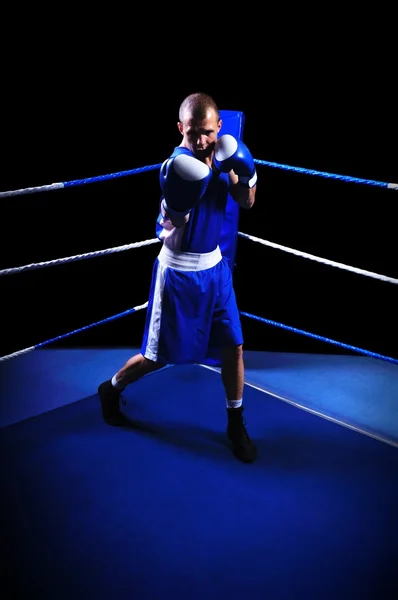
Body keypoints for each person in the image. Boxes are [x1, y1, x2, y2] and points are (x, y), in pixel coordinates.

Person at [98, 92, 258, 463]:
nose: (201, 142)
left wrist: (244, 171)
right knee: (157, 357)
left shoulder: (228, 153)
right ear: (179, 130)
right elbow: (169, 226)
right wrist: (180, 203)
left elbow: (247, 202)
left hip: (216, 270)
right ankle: (111, 388)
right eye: (192, 134)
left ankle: (235, 421)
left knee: (233, 344)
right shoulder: (176, 167)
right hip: (179, 273)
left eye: (206, 133)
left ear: (219, 127)